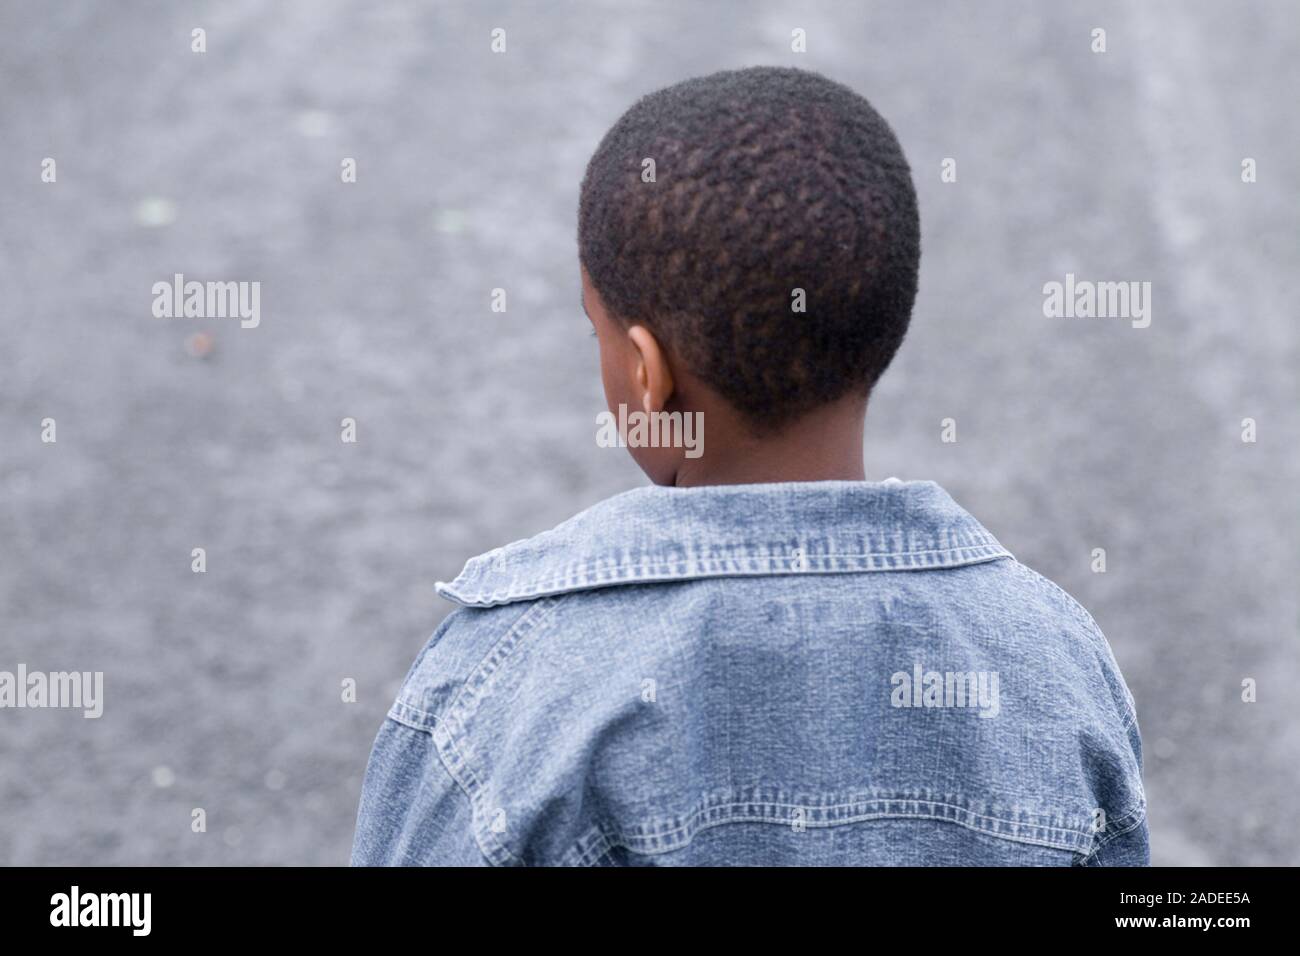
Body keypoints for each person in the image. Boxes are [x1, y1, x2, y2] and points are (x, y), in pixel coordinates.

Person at [351, 66, 1147, 866]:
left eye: (596, 331)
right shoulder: (1055, 667)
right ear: (882, 326)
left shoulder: (502, 689)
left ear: (645, 372)